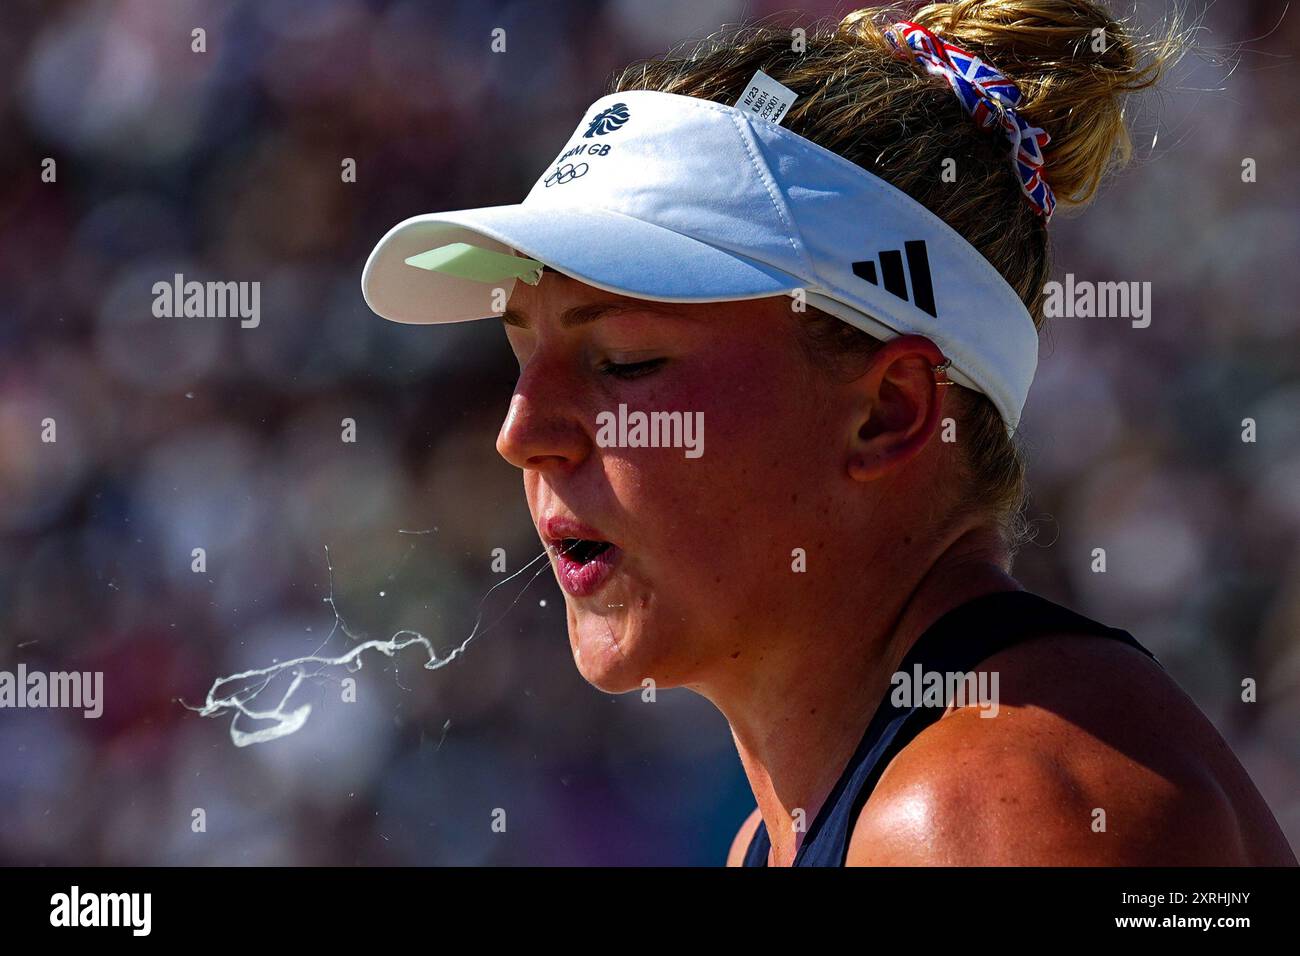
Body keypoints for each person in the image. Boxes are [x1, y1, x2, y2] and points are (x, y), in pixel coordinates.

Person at [361, 0, 1297, 865]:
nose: (521, 434)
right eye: (518, 355)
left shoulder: (988, 813)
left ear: (889, 414)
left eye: (626, 362)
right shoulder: (806, 828)